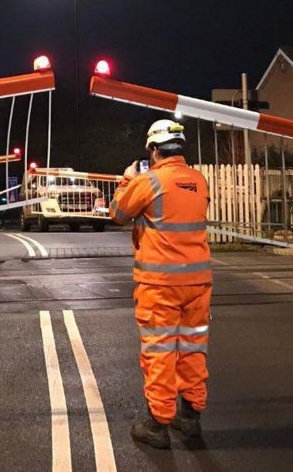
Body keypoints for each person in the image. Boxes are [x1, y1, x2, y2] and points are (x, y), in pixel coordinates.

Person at [109, 119, 212, 449]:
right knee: (193, 349)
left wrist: (128, 179)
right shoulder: (199, 181)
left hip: (160, 283)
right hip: (198, 283)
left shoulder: (149, 181)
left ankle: (158, 424)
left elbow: (118, 213)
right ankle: (190, 417)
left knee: (160, 352)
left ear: (154, 151)